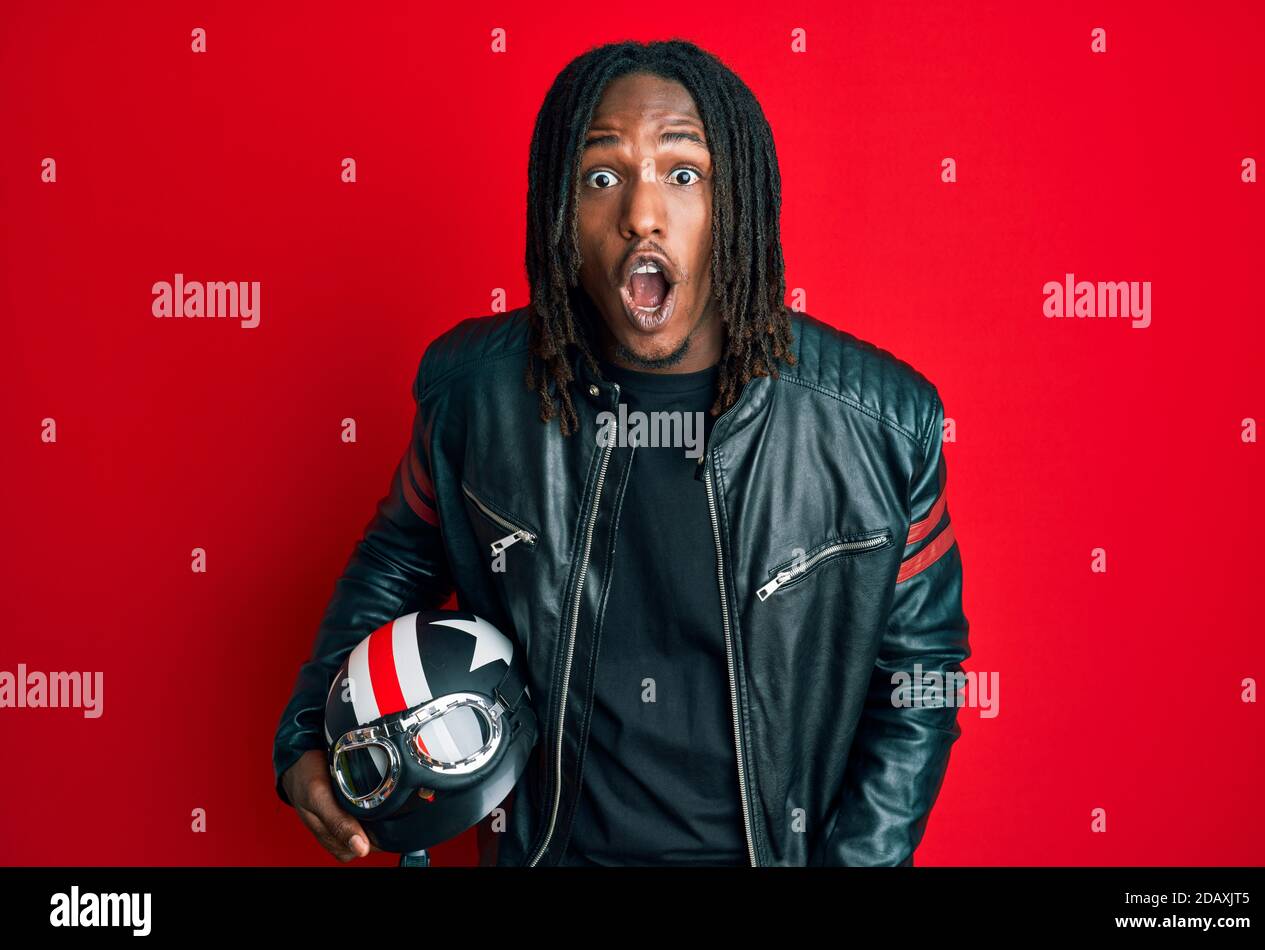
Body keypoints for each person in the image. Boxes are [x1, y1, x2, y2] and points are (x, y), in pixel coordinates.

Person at [274, 38, 970, 867]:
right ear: (559, 213)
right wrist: (307, 731)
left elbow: (922, 680)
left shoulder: (879, 427)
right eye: (602, 178)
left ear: (736, 203)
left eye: (684, 174)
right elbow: (397, 558)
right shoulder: (475, 396)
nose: (642, 214)